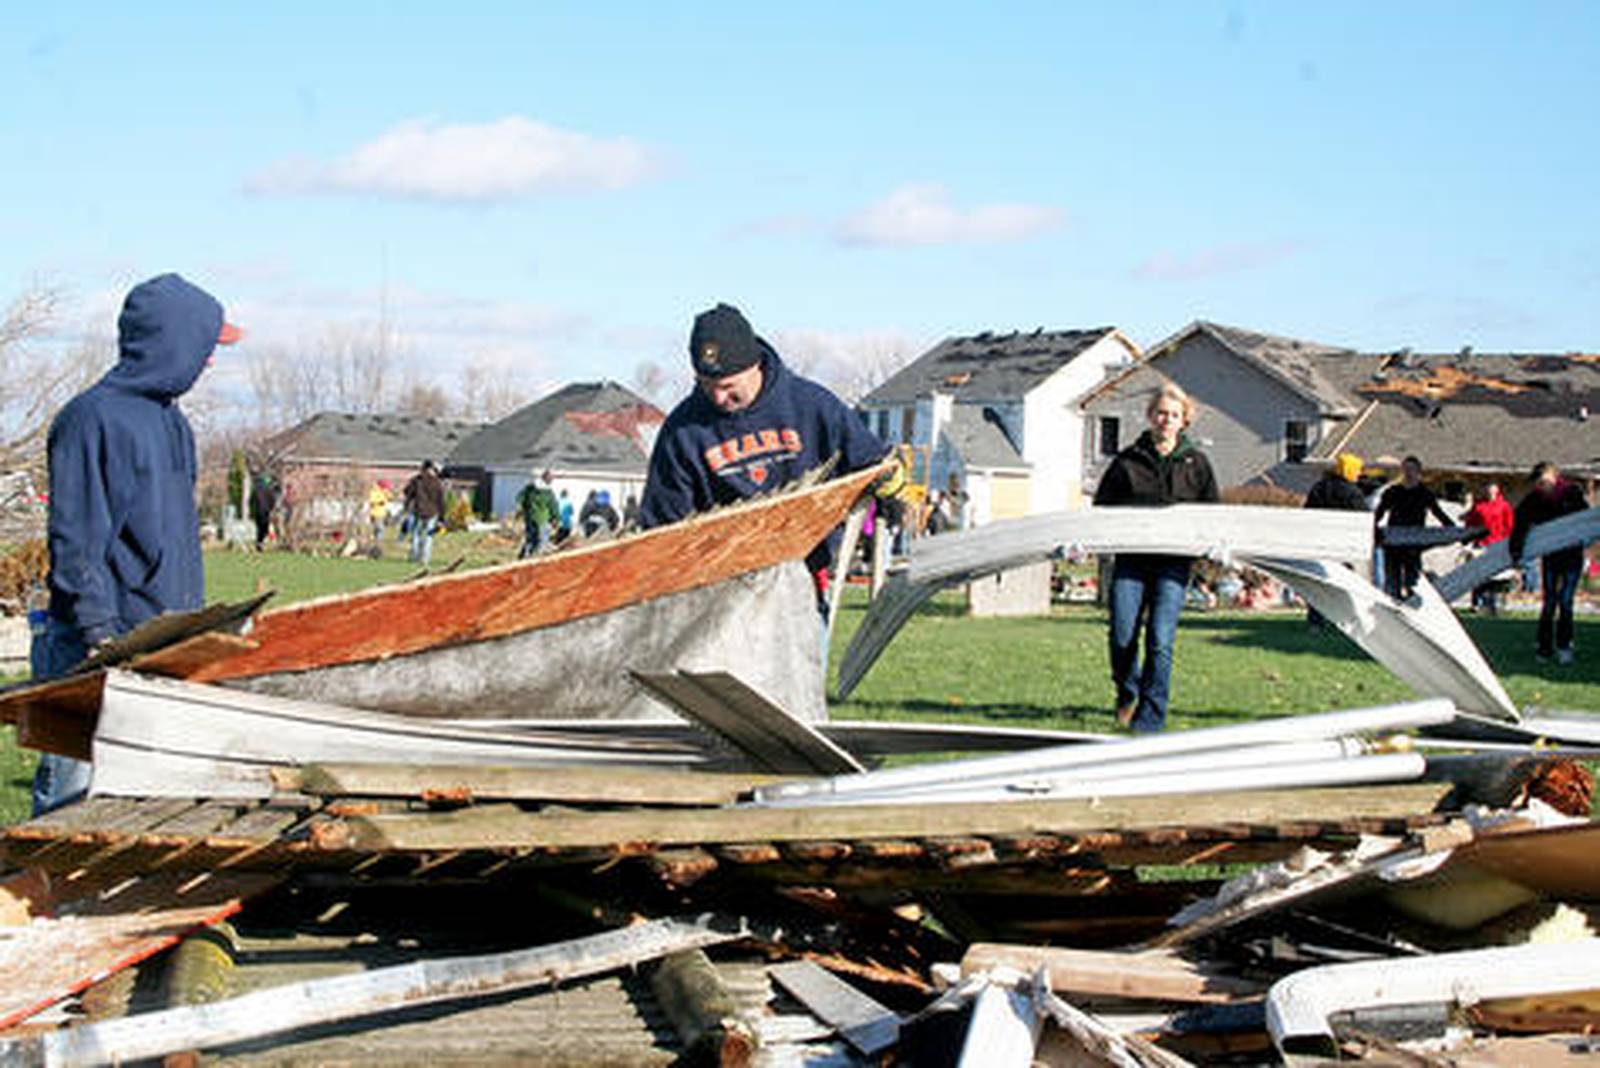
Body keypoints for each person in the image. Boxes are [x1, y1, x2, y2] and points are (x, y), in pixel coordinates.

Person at [33, 273, 241, 815]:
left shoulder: (173, 424)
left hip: (161, 640)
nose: (211, 362)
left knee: (144, 804)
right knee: (71, 806)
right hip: (96, 645)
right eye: (206, 347)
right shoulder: (91, 420)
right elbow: (75, 542)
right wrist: (100, 639)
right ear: (173, 341)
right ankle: (39, 898)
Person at [638, 302, 888, 606]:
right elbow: (662, 525)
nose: (718, 397)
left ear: (754, 365)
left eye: (729, 386)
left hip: (801, 582)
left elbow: (871, 462)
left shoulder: (812, 406)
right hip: (718, 596)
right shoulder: (683, 431)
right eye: (707, 386)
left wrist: (889, 486)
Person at [1092, 381, 1219, 732]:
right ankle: (1127, 691)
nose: (1166, 420)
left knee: (1161, 641)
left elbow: (1212, 514)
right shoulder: (1127, 461)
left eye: (1174, 415)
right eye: (1161, 413)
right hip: (1132, 561)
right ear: (1150, 416)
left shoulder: (1197, 463)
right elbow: (1100, 508)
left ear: (1184, 421)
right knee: (1121, 636)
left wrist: (1206, 561)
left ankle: (1150, 718)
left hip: (1173, 564)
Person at [1510, 461, 1589, 664]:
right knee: (1549, 602)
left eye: (1544, 482)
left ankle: (1564, 646)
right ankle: (1544, 648)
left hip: (1572, 554)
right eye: (1538, 483)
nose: (1541, 487)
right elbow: (1520, 523)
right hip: (1551, 555)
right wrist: (1516, 552)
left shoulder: (1572, 493)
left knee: (1566, 601)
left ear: (1554, 477)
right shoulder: (1535, 499)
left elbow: (1585, 518)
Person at [1302, 452, 1369, 629]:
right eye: (1357, 470)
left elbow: (1307, 513)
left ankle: (1315, 622)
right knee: (1343, 582)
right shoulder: (1352, 492)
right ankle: (1344, 619)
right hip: (1343, 546)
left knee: (1318, 584)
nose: (1359, 474)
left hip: (1319, 544)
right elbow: (1363, 517)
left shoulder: (1319, 487)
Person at [1373, 456, 1454, 600]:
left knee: (1413, 577)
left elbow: (1438, 512)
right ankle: (1394, 602)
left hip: (1414, 541)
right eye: (1406, 469)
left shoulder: (1424, 493)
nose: (1408, 473)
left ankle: (1413, 600)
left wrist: (1452, 530)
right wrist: (1372, 529)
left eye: (1412, 469)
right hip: (1394, 540)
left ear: (1418, 472)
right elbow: (1380, 512)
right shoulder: (1393, 491)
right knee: (1393, 577)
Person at [1461, 482, 1514, 614]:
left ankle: (1493, 603)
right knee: (1478, 575)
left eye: (1492, 490)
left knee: (1495, 576)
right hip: (1481, 544)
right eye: (1488, 490)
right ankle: (1476, 603)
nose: (1490, 493)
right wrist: (1467, 539)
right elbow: (1470, 523)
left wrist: (1508, 542)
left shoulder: (1504, 506)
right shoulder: (1479, 506)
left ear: (1497, 491)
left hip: (1497, 544)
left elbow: (1509, 525)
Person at [403, 460, 445, 567]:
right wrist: (441, 518)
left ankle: (415, 557)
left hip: (419, 511)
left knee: (416, 535)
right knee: (428, 537)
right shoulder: (437, 483)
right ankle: (425, 559)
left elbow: (407, 492)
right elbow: (441, 502)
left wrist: (406, 507)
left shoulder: (417, 481)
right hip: (432, 513)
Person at [515, 469, 558, 557]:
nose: (552, 480)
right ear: (547, 478)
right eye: (551, 478)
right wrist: (556, 518)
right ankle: (537, 559)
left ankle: (525, 556)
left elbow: (519, 498)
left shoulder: (530, 488)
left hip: (530, 518)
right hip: (542, 519)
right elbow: (553, 506)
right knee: (542, 541)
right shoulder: (548, 492)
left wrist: (521, 510)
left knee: (530, 538)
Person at [250, 468, 279, 551]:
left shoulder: (255, 488)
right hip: (265, 511)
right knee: (264, 528)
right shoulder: (268, 489)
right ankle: (260, 542)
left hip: (257, 511)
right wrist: (272, 508)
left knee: (259, 527)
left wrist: (252, 511)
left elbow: (252, 500)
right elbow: (272, 499)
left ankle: (259, 542)